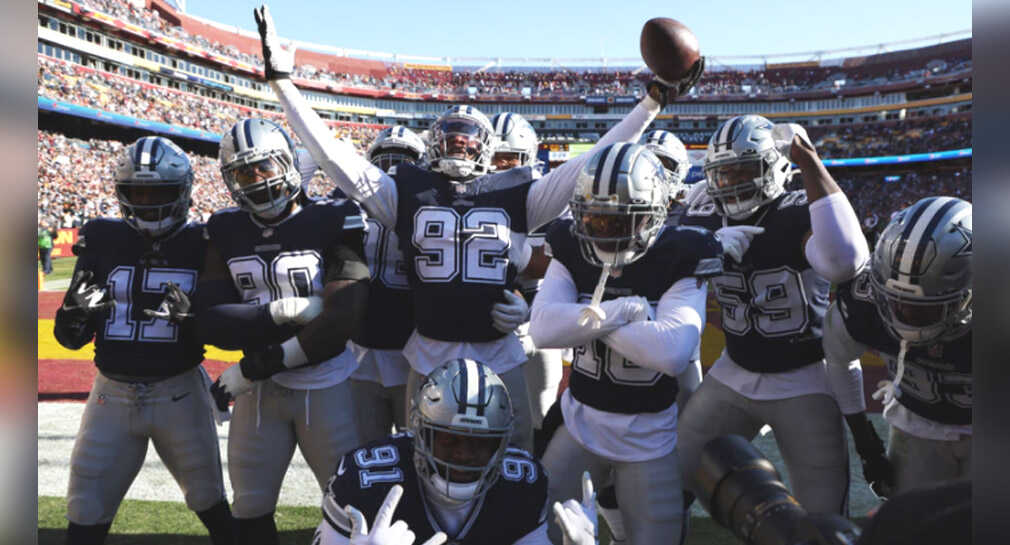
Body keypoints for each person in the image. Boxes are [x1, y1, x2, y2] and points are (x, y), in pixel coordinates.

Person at [254, 3, 700, 453]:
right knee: (424, 457)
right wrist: (283, 84)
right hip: (428, 350)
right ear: (432, 144)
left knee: (514, 454)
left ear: (488, 149)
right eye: (450, 138)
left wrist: (651, 103)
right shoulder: (408, 191)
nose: (458, 148)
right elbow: (334, 157)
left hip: (498, 350)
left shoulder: (518, 192)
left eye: (468, 140)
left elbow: (593, 160)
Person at [531, 143, 724, 545]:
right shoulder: (569, 244)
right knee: (540, 531)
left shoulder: (681, 253)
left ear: (653, 214)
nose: (603, 230)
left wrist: (585, 318)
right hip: (580, 422)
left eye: (620, 220)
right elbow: (545, 329)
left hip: (650, 436)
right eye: (594, 218)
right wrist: (623, 312)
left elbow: (672, 351)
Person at [676, 117, 869, 518]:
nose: (729, 183)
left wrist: (810, 161)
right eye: (721, 173)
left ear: (777, 166)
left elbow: (844, 261)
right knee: (669, 481)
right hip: (733, 372)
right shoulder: (703, 211)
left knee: (823, 517)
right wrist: (702, 247)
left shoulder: (798, 211)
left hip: (805, 379)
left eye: (743, 171)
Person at [196, 118, 370, 545]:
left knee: (352, 506)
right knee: (250, 507)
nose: (257, 180)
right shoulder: (225, 227)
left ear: (289, 163)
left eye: (265, 166)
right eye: (243, 171)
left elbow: (342, 317)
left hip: (327, 385)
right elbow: (213, 321)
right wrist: (283, 313)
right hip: (259, 394)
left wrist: (255, 365)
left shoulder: (334, 217)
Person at [53, 136, 234, 545]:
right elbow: (68, 339)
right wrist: (76, 313)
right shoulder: (101, 238)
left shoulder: (204, 242)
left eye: (159, 192)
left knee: (209, 498)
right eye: (138, 192)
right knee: (84, 509)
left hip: (180, 392)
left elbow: (222, 332)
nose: (148, 201)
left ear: (183, 192)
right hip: (110, 396)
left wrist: (194, 320)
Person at [313, 358, 552, 544]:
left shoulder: (523, 484)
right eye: (450, 440)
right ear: (419, 433)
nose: (464, 454)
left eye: (480, 442)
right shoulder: (364, 480)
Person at [824, 196, 971, 498]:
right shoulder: (864, 305)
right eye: (896, 302)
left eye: (924, 310)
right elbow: (839, 361)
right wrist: (865, 442)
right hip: (916, 424)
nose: (905, 317)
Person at [344, 126, 426, 442]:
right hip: (359, 350)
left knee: (419, 449)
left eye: (403, 161)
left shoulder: (430, 207)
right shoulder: (347, 204)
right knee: (364, 451)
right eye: (384, 159)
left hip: (413, 352)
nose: (392, 169)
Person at [488, 111, 563, 446]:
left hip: (541, 316)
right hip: (494, 320)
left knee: (542, 406)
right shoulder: (473, 196)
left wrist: (518, 261)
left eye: (509, 158)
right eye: (494, 158)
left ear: (528, 158)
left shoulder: (550, 199)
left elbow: (558, 261)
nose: (501, 166)